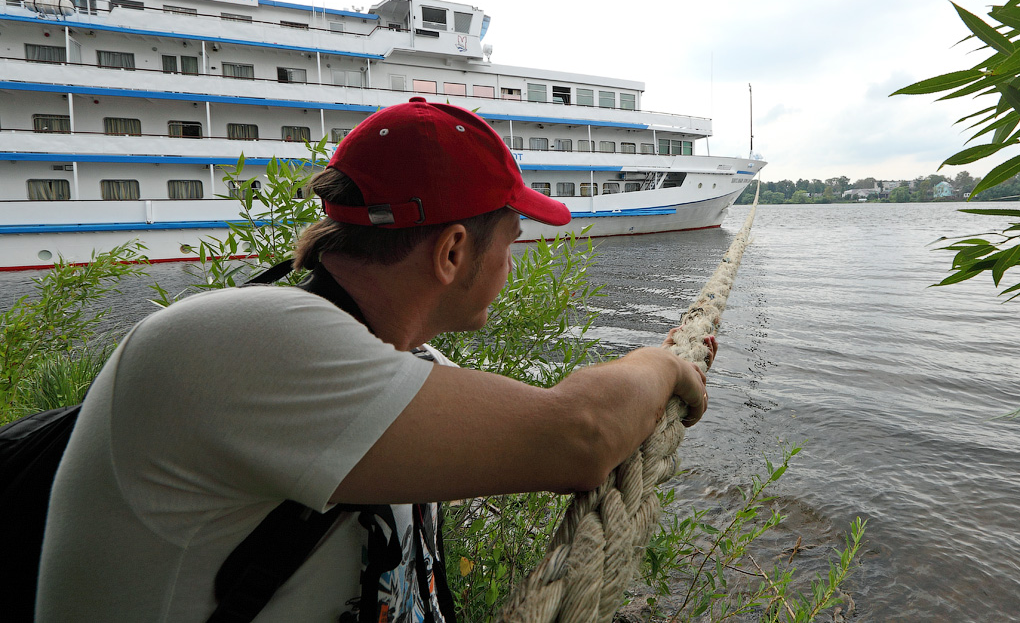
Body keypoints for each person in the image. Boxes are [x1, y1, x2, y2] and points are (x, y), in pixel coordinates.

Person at [36, 97, 710, 622]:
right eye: (512, 239)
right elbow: (581, 433)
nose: (511, 264)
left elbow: (555, 420)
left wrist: (646, 371)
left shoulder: (397, 364)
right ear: (451, 253)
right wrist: (669, 366)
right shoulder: (244, 342)